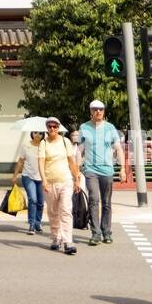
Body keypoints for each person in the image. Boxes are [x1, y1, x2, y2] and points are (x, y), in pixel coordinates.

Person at [77, 99, 128, 245]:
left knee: (106, 202)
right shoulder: (84, 127)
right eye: (95, 109)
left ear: (104, 111)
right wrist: (76, 169)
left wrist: (122, 169)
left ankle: (106, 231)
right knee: (93, 198)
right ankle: (96, 233)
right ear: (90, 111)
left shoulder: (110, 128)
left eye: (100, 109)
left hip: (107, 169)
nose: (98, 112)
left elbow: (118, 149)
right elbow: (79, 150)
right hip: (90, 169)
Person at [42, 117, 85, 254]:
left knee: (66, 211)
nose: (52, 129)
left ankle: (68, 242)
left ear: (59, 128)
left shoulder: (65, 142)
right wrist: (43, 180)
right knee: (53, 212)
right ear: (47, 128)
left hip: (65, 181)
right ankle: (56, 238)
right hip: (50, 183)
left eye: (55, 126)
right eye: (50, 126)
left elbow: (71, 162)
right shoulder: (44, 143)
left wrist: (77, 178)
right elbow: (41, 163)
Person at [11, 129, 46, 235]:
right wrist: (15, 175)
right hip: (28, 176)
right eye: (35, 132)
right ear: (32, 133)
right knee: (33, 199)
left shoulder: (45, 146)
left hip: (42, 178)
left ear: (43, 134)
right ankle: (31, 225)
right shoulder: (26, 145)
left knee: (40, 202)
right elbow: (21, 161)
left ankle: (37, 223)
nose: (37, 135)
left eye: (40, 133)